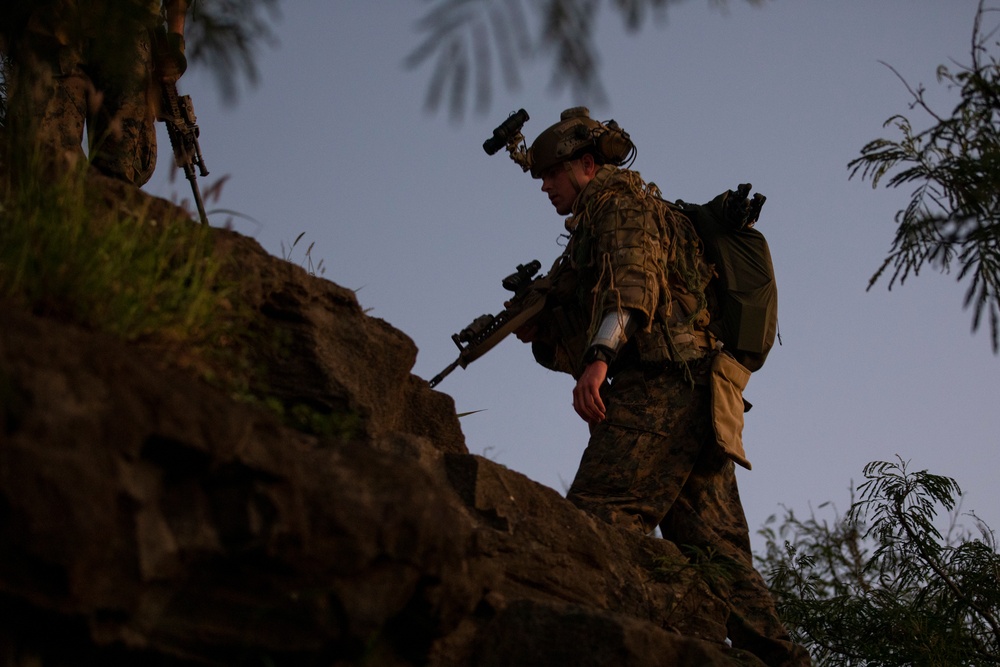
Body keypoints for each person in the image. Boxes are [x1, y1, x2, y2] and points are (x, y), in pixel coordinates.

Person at [515, 107, 809, 666]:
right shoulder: (622, 217)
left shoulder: (618, 204)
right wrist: (542, 334)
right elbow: (596, 320)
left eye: (551, 174)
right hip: (700, 392)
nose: (546, 187)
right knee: (717, 553)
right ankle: (778, 660)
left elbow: (632, 288)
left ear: (584, 164)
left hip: (659, 388)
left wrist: (598, 360)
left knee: (595, 521)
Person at [2, 0, 190, 186]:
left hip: (126, 29)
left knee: (121, 167)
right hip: (52, 23)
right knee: (42, 157)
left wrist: (175, 41)